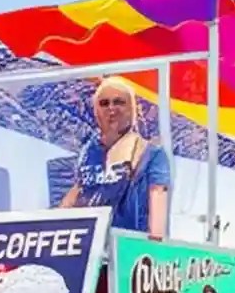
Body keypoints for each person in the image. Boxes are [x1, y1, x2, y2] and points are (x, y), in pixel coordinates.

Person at [59, 77, 170, 238]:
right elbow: (77, 192)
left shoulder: (151, 153)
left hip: (127, 246)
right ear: (96, 111)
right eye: (104, 103)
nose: (112, 109)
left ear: (132, 109)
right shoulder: (88, 151)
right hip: (88, 245)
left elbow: (158, 196)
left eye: (119, 102)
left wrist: (155, 246)